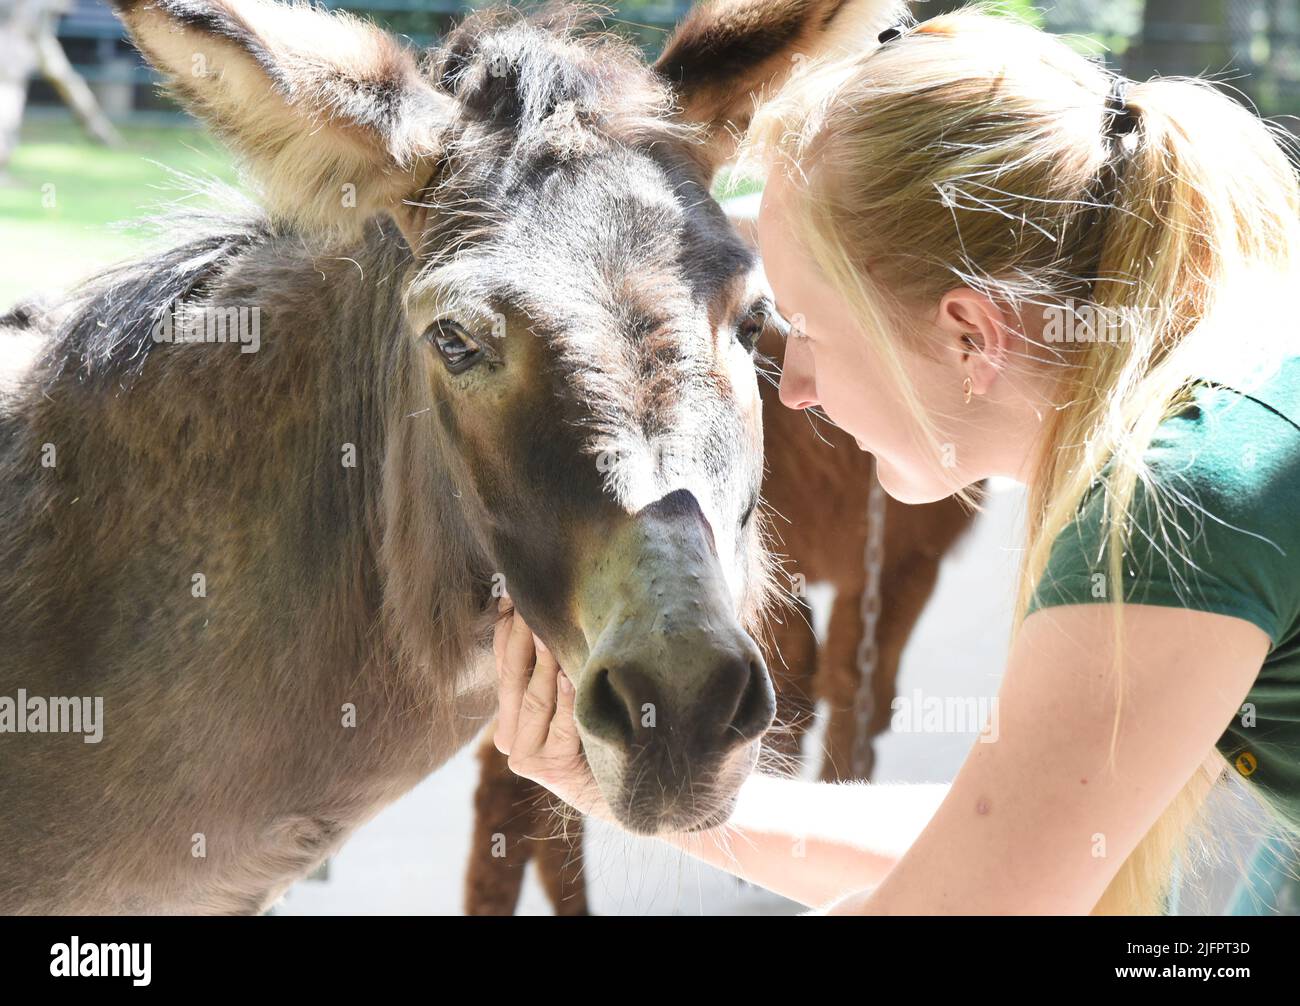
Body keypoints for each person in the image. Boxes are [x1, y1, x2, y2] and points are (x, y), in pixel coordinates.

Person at [490, 7, 1300, 915]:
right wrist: (657, 799)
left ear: (968, 337)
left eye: (808, 331)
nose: (791, 389)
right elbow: (1011, 852)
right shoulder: (1229, 394)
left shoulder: (1187, 498)